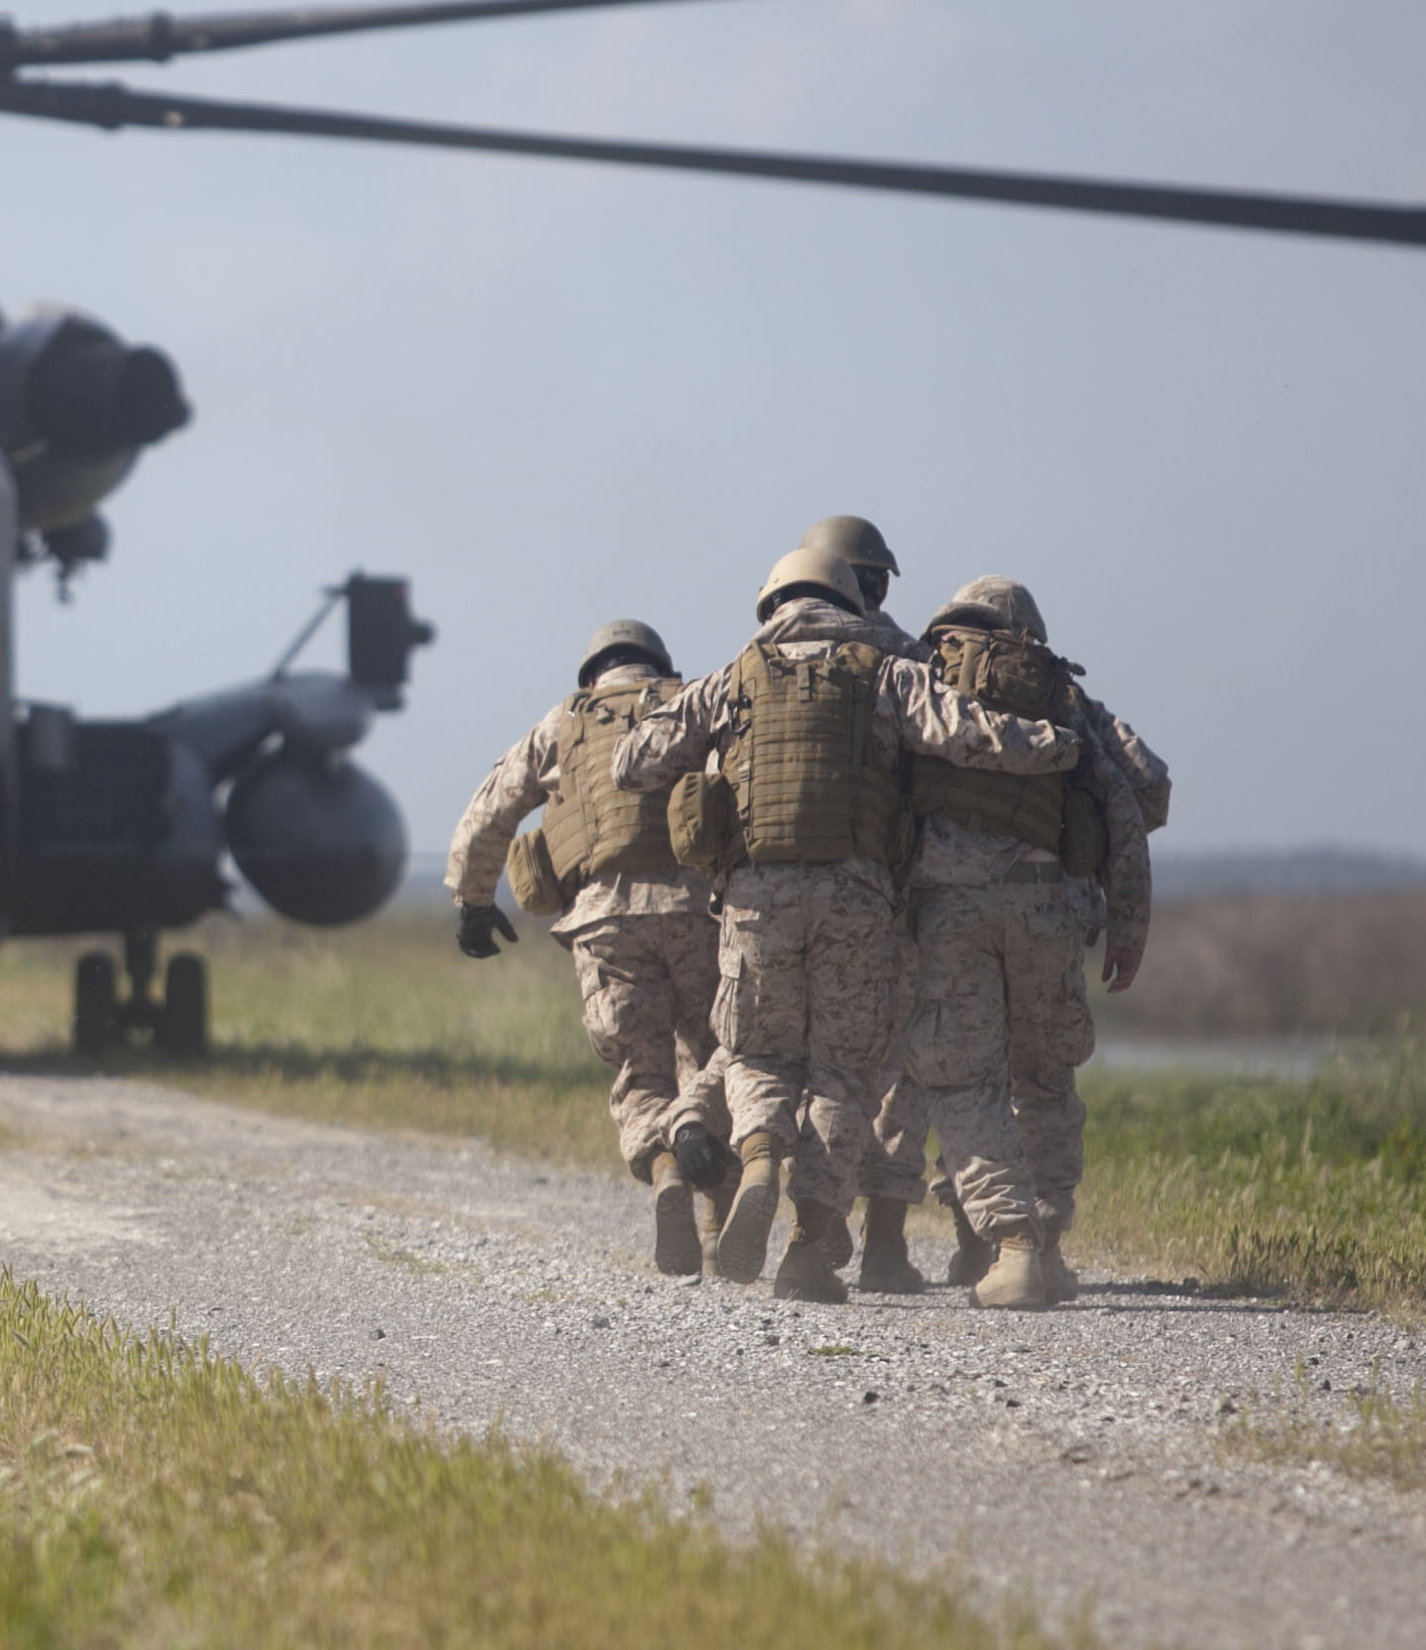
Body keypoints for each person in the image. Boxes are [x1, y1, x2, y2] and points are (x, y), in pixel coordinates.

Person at [612, 547, 1080, 1300]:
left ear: (774, 601)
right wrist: (1055, 747)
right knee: (843, 1074)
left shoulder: (735, 672)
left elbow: (633, 763)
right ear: (848, 597)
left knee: (756, 1053)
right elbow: (962, 731)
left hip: (753, 898)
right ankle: (808, 1244)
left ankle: (760, 1150)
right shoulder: (884, 667)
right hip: (857, 895)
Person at [890, 577, 1169, 1301]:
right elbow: (1144, 789)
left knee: (964, 1079)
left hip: (948, 910)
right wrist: (1128, 923)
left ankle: (1009, 1244)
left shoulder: (921, 678)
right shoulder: (1064, 700)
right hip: (1049, 907)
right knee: (1044, 1082)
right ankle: (1045, 1244)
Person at [445, 618, 733, 1276]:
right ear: (659, 667)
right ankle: (718, 1220)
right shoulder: (694, 704)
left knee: (640, 1074)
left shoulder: (560, 724)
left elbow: (488, 813)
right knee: (713, 1059)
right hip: (699, 913)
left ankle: (662, 1171)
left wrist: (473, 903)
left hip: (603, 923)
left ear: (589, 677)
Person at [795, 515, 942, 1290]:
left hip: (788, 899)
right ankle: (883, 1245)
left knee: (808, 1069)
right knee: (894, 1077)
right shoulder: (909, 661)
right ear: (874, 582)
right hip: (896, 893)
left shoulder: (772, 658)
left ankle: (811, 1233)